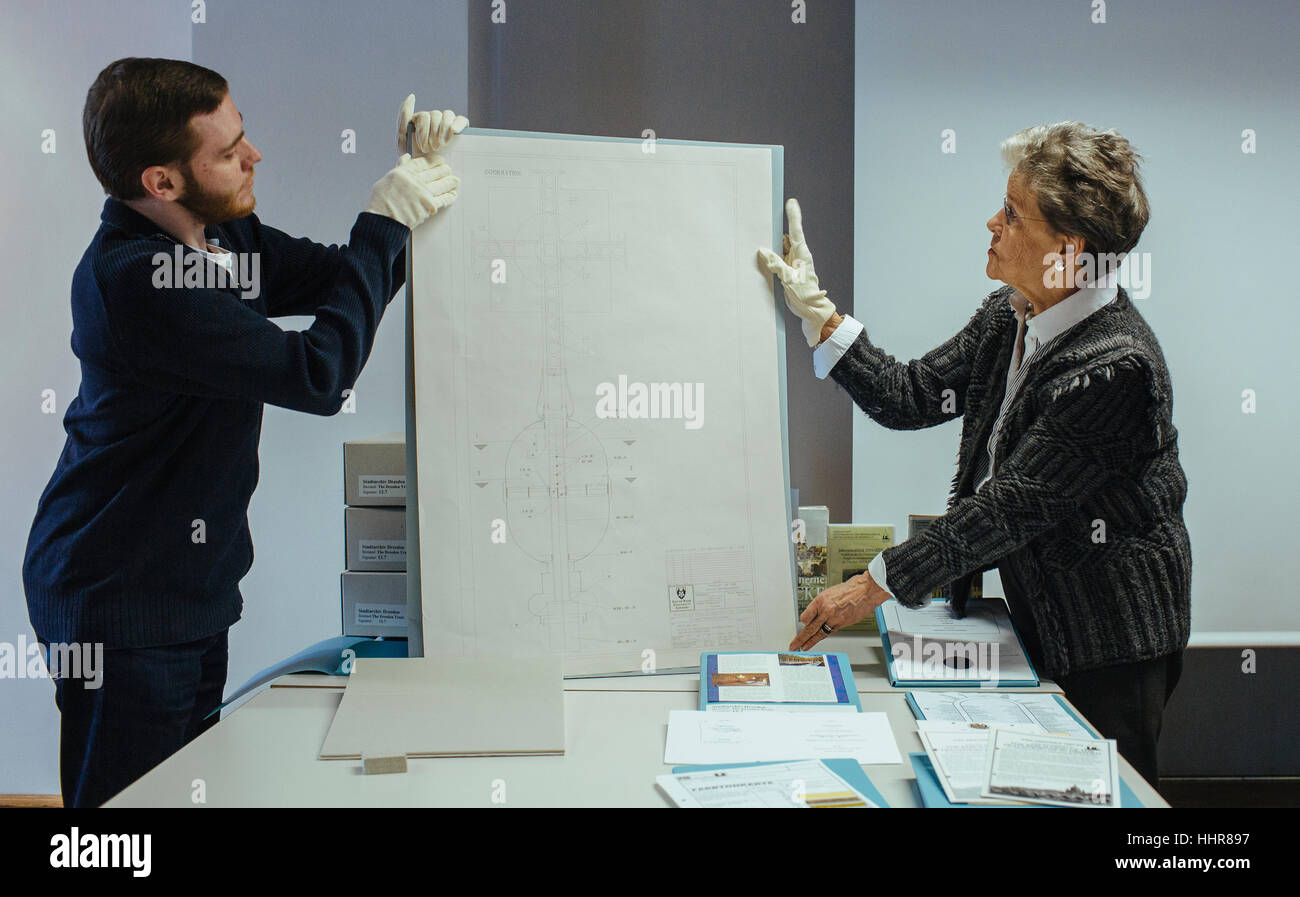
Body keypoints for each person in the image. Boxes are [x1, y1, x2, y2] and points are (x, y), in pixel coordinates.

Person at [21, 56, 466, 807]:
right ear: (160, 181)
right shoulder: (139, 280)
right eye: (227, 153)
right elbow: (318, 373)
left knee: (183, 792)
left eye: (243, 137)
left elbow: (344, 279)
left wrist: (421, 180)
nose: (252, 156)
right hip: (117, 599)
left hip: (188, 587)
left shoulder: (222, 242)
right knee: (122, 825)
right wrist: (383, 221)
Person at [758, 121, 1191, 788]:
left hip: (1111, 646)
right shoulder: (1011, 313)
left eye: (1013, 214)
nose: (992, 223)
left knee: (1105, 802)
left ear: (1068, 253)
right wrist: (819, 315)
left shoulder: (1116, 367)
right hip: (1037, 616)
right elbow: (912, 394)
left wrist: (872, 584)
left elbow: (1008, 508)